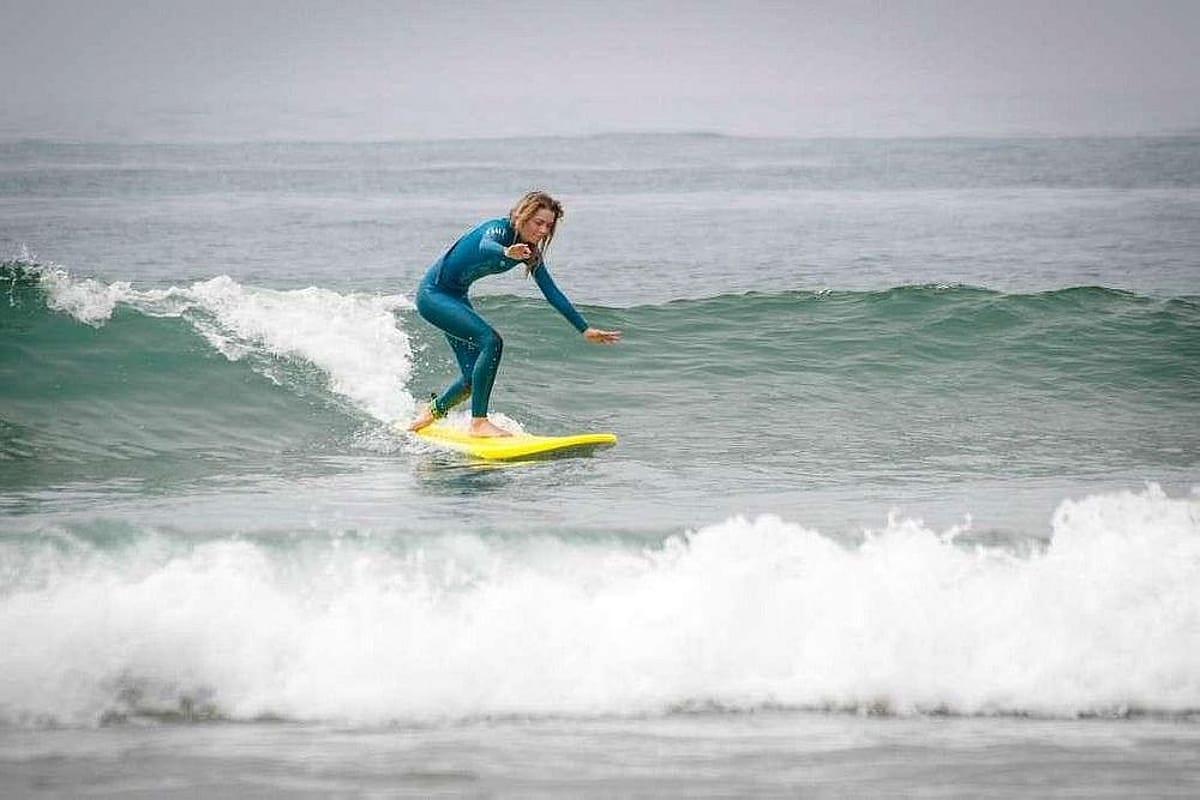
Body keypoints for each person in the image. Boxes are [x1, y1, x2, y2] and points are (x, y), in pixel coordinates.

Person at [407, 191, 622, 438]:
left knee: (471, 381)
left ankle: (428, 415)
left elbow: (551, 292)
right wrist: (507, 252)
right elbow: (485, 245)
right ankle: (479, 423)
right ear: (522, 215)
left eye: (548, 226)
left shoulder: (530, 251)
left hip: (455, 297)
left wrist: (584, 329)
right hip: (434, 295)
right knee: (491, 341)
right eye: (538, 222)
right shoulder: (498, 230)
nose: (543, 230)